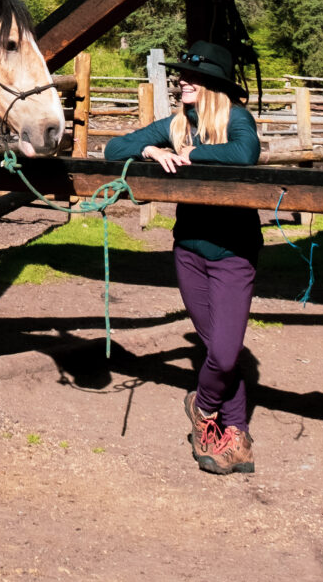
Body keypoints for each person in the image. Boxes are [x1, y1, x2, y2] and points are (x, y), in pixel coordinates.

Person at [104, 40, 261, 475]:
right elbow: (113, 149)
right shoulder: (175, 124)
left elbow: (245, 154)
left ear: (213, 84)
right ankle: (236, 435)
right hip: (189, 252)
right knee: (215, 347)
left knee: (226, 355)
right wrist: (150, 150)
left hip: (233, 254)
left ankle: (201, 403)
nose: (181, 81)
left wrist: (193, 155)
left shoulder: (236, 119)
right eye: (181, 76)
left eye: (191, 77)